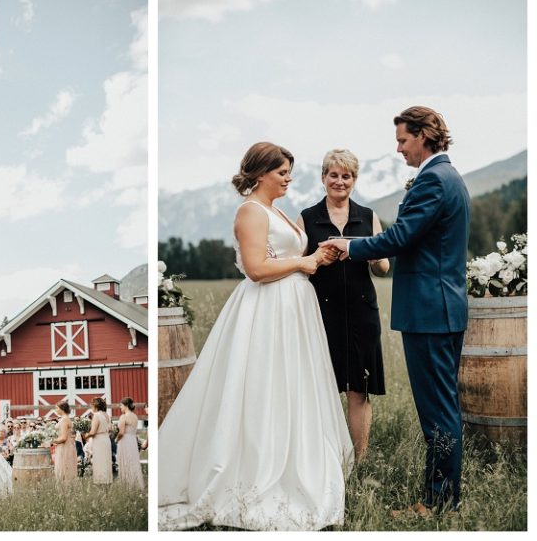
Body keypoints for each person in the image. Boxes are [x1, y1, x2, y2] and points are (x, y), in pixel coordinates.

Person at [158, 142, 353, 531]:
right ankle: (256, 470)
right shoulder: (250, 211)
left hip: (294, 308)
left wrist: (318, 256)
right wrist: (306, 261)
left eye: (289, 172)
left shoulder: (276, 210)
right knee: (264, 384)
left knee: (293, 384)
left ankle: (300, 462)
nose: (288, 178)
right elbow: (257, 268)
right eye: (282, 172)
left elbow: (285, 257)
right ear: (261, 173)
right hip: (268, 309)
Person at [322, 106, 470, 515]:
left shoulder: (434, 180)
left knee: (438, 411)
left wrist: (347, 245)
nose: (400, 148)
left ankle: (439, 502)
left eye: (403, 140)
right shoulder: (449, 177)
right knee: (443, 407)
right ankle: (444, 497)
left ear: (423, 135)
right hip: (441, 307)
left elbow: (400, 237)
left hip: (430, 310)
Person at [298, 149, 390, 462]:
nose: (340, 181)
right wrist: (317, 259)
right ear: (323, 178)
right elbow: (298, 265)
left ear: (354, 180)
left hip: (363, 313)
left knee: (359, 389)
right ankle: (324, 459)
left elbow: (384, 268)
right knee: (321, 389)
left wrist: (373, 256)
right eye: (334, 175)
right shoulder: (307, 218)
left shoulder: (368, 215)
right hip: (320, 314)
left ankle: (360, 460)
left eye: (346, 176)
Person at [116, 397, 144, 489]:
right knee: (133, 461)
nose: (120, 407)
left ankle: (127, 484)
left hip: (124, 441)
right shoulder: (135, 417)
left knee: (125, 461)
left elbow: (121, 432)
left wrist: (116, 440)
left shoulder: (123, 417)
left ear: (126, 406)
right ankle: (135, 483)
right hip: (132, 441)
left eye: (121, 405)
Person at [85, 397, 112, 485]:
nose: (91, 407)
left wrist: (86, 435)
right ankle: (107, 482)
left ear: (95, 405)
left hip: (99, 440)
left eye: (92, 405)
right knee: (106, 462)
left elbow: (93, 432)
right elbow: (110, 429)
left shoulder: (96, 415)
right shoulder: (107, 415)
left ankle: (100, 482)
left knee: (100, 462)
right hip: (106, 439)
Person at [52, 400, 77, 483]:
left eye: (56, 408)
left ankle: (65, 489)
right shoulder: (64, 419)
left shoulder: (64, 420)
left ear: (62, 409)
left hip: (65, 447)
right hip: (63, 446)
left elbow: (63, 437)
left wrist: (51, 441)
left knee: (64, 470)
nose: (55, 410)